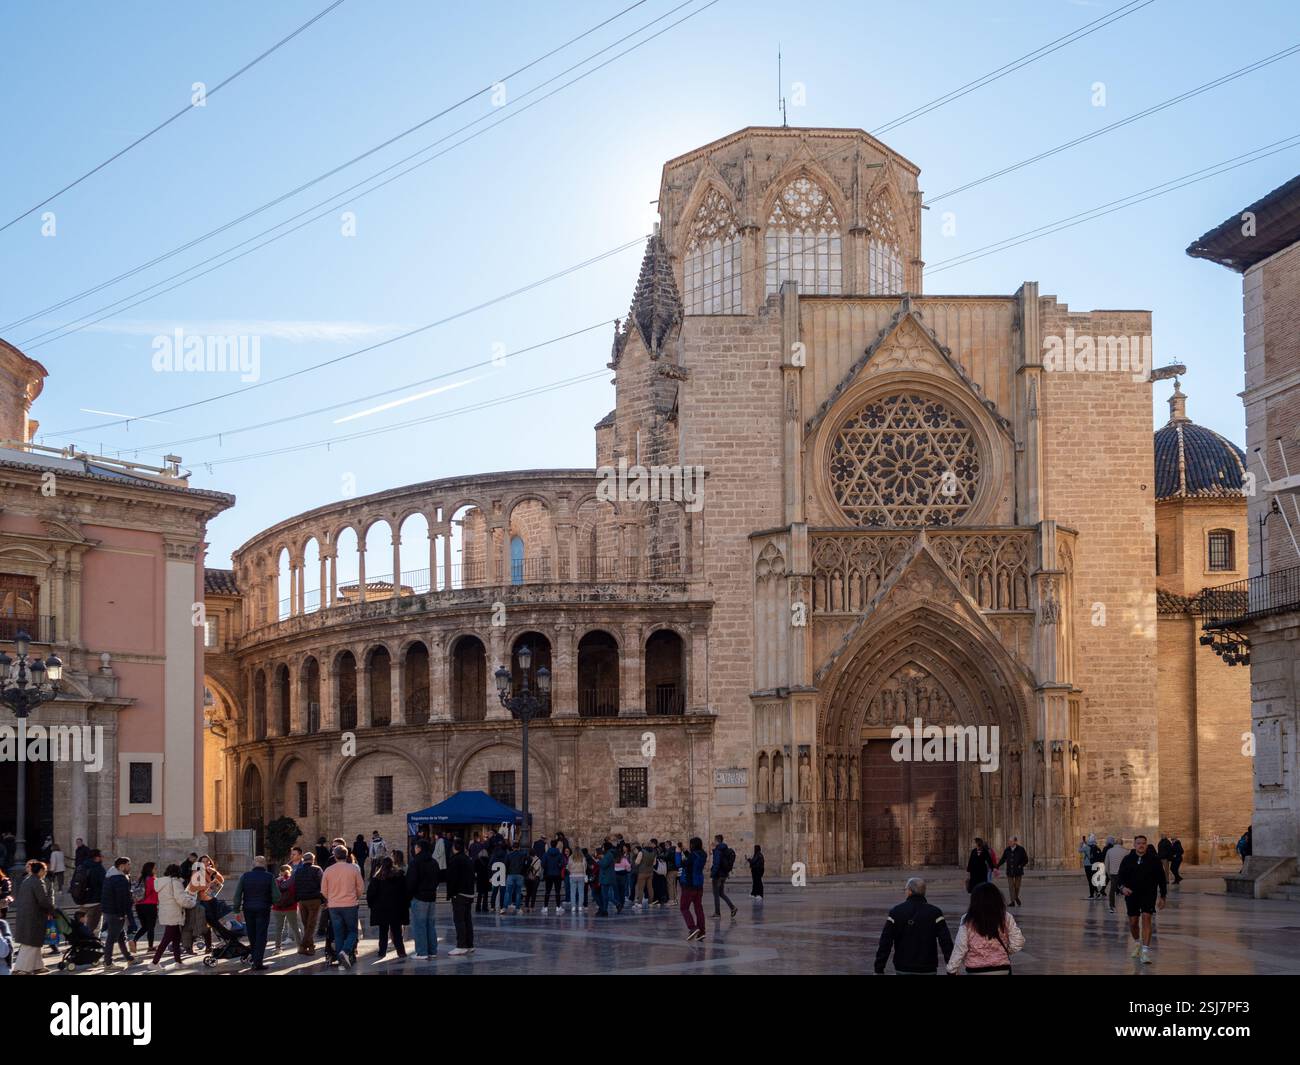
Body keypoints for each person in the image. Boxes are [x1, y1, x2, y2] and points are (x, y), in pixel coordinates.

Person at [874, 877, 954, 975]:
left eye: (905, 889)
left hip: (903, 967)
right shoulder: (935, 913)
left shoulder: (896, 912)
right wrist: (952, 968)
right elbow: (946, 942)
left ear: (910, 892)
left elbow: (885, 942)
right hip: (928, 967)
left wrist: (879, 968)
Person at [947, 882, 1025, 975]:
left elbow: (960, 946)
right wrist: (1004, 951)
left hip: (976, 970)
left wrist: (952, 969)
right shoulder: (1005, 917)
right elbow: (1018, 941)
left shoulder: (968, 919)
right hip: (1001, 969)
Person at [1118, 835, 1167, 965]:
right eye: (1138, 843)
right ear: (1134, 845)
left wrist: (1163, 896)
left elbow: (1162, 879)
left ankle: (1145, 952)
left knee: (1146, 918)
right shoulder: (1127, 859)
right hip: (1132, 895)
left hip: (1148, 894)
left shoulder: (1154, 860)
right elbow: (1120, 878)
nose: (1141, 845)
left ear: (1146, 845)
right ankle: (1137, 943)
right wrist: (1122, 888)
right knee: (1133, 922)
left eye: (1143, 843)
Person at [230, 855, 281, 971]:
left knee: (252, 934)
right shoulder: (269, 877)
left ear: (253, 864)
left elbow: (237, 895)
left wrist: (236, 910)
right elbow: (277, 896)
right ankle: (258, 961)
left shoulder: (245, 876)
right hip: (263, 908)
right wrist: (271, 902)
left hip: (248, 908)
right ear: (264, 864)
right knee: (261, 935)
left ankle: (254, 958)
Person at [322, 844, 365, 969]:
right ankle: (345, 951)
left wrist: (331, 898)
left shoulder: (328, 870)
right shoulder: (353, 869)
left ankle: (342, 962)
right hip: (350, 904)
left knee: (338, 933)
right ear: (346, 856)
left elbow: (324, 890)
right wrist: (355, 897)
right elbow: (360, 887)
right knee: (352, 931)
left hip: (334, 905)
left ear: (334, 856)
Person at [12, 860, 55, 974]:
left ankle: (37, 966)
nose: (45, 873)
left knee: (33, 943)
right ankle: (22, 969)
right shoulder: (37, 882)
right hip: (34, 917)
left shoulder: (26, 880)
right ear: (40, 871)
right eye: (44, 870)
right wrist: (52, 909)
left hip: (25, 915)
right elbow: (43, 900)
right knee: (31, 943)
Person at [366, 856, 409, 960]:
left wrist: (372, 906)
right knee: (397, 932)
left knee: (383, 932)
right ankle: (401, 952)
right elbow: (405, 892)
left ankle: (382, 952)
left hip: (382, 910)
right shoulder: (399, 876)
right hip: (396, 909)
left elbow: (370, 894)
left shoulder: (377, 878)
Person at [406, 838, 440, 959]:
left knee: (419, 925)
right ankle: (432, 950)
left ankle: (422, 952)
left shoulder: (415, 863)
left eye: (415, 847)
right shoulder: (434, 862)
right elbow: (437, 879)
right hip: (431, 897)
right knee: (430, 924)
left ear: (419, 848)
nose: (414, 849)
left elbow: (411, 882)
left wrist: (408, 896)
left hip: (419, 897)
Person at [151, 864, 189, 967]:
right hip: (174, 913)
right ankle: (154, 963)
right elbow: (181, 899)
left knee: (176, 938)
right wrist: (192, 902)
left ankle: (178, 962)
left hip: (166, 912)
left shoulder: (162, 882)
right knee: (166, 939)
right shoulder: (175, 883)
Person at [101, 856, 136, 968]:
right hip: (116, 912)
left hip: (109, 911)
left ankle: (129, 958)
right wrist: (123, 915)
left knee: (121, 936)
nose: (130, 867)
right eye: (128, 864)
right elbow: (122, 900)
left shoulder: (110, 876)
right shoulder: (120, 879)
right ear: (121, 866)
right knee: (111, 938)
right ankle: (108, 963)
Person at [445, 837, 475, 956]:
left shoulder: (455, 860)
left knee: (459, 920)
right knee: (467, 920)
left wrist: (451, 894)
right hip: (469, 893)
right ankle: (469, 944)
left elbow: (452, 879)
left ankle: (461, 945)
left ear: (455, 848)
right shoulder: (468, 859)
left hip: (459, 894)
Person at [293, 851, 324, 955]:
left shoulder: (298, 870)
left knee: (307, 924)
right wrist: (324, 899)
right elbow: (322, 884)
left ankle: (310, 948)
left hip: (302, 900)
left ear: (303, 860)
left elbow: (295, 884)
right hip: (314, 899)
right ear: (313, 860)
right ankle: (303, 946)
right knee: (311, 924)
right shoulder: (317, 869)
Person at [679, 837, 708, 941]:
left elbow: (681, 864)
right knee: (698, 908)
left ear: (693, 845)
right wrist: (685, 851)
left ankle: (692, 928)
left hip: (689, 884)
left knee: (684, 907)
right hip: (699, 885)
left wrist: (678, 854)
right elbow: (693, 859)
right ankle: (701, 931)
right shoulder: (703, 854)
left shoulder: (692, 856)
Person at [269, 864, 301, 954]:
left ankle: (278, 948)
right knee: (295, 927)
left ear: (280, 872)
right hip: (291, 907)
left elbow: (272, 894)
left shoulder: (275, 881)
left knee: (279, 928)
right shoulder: (293, 881)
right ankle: (299, 947)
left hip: (277, 908)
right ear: (289, 871)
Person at [710, 835, 738, 919]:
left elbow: (716, 863)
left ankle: (717, 913)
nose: (713, 842)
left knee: (716, 894)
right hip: (724, 875)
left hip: (718, 875)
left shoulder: (718, 850)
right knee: (721, 893)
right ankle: (732, 907)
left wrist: (712, 874)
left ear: (716, 841)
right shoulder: (725, 849)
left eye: (714, 840)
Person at [132, 861, 159, 949]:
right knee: (151, 927)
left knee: (145, 926)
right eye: (155, 868)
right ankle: (150, 947)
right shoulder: (152, 880)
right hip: (150, 905)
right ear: (150, 869)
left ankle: (134, 940)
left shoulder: (140, 879)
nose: (156, 869)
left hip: (139, 905)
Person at [999, 837, 1028, 907]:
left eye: (1011, 841)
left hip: (1018, 871)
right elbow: (1003, 859)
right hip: (1009, 871)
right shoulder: (1007, 850)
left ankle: (1016, 897)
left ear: (1015, 842)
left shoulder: (1021, 849)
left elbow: (1026, 859)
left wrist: (1021, 865)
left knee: (1017, 886)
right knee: (1011, 886)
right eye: (1009, 841)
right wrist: (997, 865)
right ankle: (1013, 901)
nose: (1009, 843)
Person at [503, 839, 528, 914]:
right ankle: (517, 908)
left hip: (510, 874)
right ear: (519, 847)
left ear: (512, 847)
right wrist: (523, 872)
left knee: (508, 892)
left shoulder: (509, 855)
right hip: (520, 875)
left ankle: (505, 907)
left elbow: (505, 864)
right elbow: (525, 864)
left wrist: (507, 873)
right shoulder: (523, 855)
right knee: (518, 892)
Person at [542, 839, 565, 913]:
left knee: (547, 891)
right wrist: (558, 866)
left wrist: (547, 868)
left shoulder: (546, 854)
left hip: (548, 874)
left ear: (550, 845)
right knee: (557, 891)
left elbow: (543, 864)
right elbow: (563, 863)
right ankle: (558, 907)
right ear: (556, 845)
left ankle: (545, 907)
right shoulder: (559, 854)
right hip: (557, 874)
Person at [1104, 836, 1126, 913]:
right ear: (1122, 843)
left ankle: (1112, 906)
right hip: (1123, 875)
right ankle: (1128, 906)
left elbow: (1106, 864)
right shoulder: (1125, 851)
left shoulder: (1109, 851)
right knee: (1126, 890)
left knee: (1112, 890)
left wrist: (1108, 874)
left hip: (1113, 874)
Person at [565, 846, 586, 912]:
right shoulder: (583, 858)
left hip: (573, 876)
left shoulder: (571, 857)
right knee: (581, 892)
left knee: (573, 892)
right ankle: (580, 906)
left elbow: (568, 867)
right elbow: (585, 866)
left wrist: (571, 871)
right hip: (581, 875)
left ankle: (573, 906)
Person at [473, 845, 492, 913]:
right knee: (486, 895)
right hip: (486, 879)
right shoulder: (488, 860)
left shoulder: (477, 860)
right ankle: (485, 907)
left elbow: (474, 870)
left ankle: (478, 907)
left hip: (480, 879)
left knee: (480, 894)